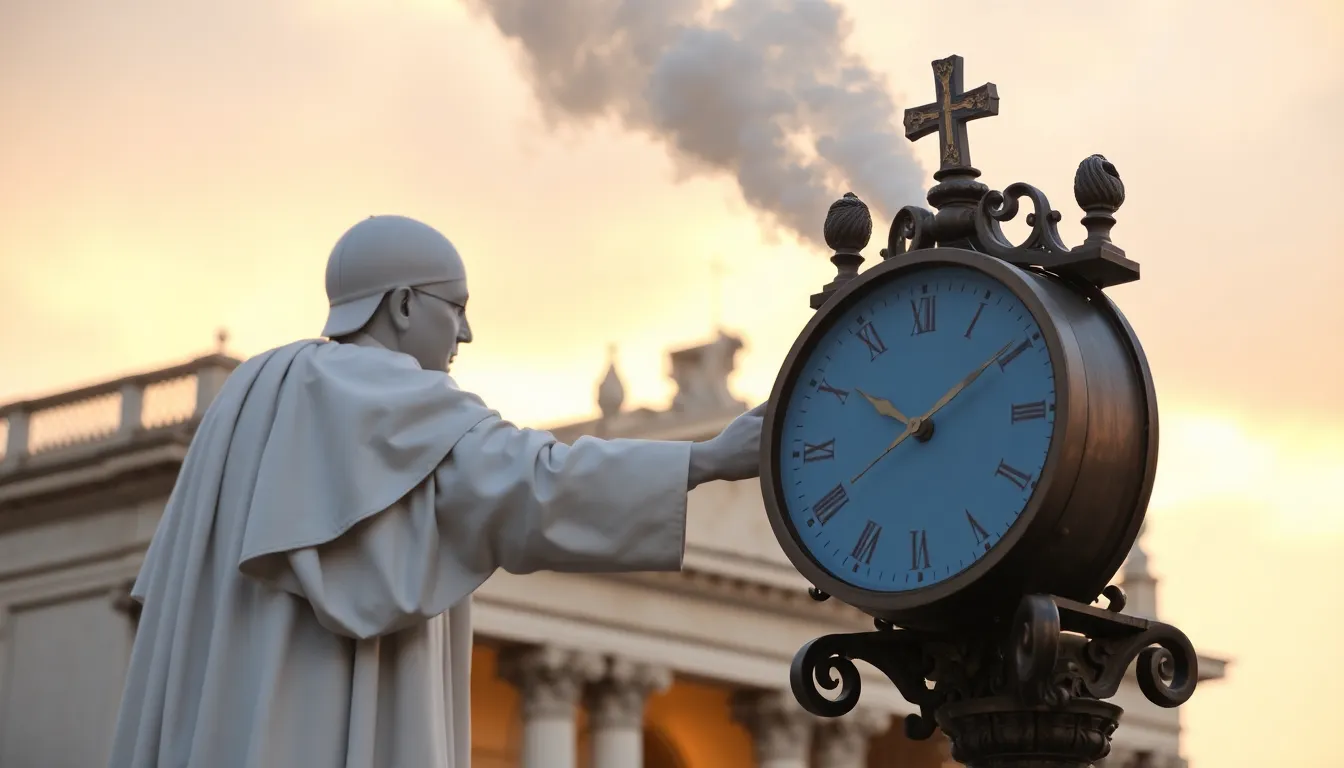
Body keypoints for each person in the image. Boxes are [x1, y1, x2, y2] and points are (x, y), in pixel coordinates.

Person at [108, 215, 765, 768]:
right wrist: (704, 460)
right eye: (457, 309)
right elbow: (537, 482)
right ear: (401, 305)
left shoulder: (248, 400)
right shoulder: (403, 403)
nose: (466, 334)